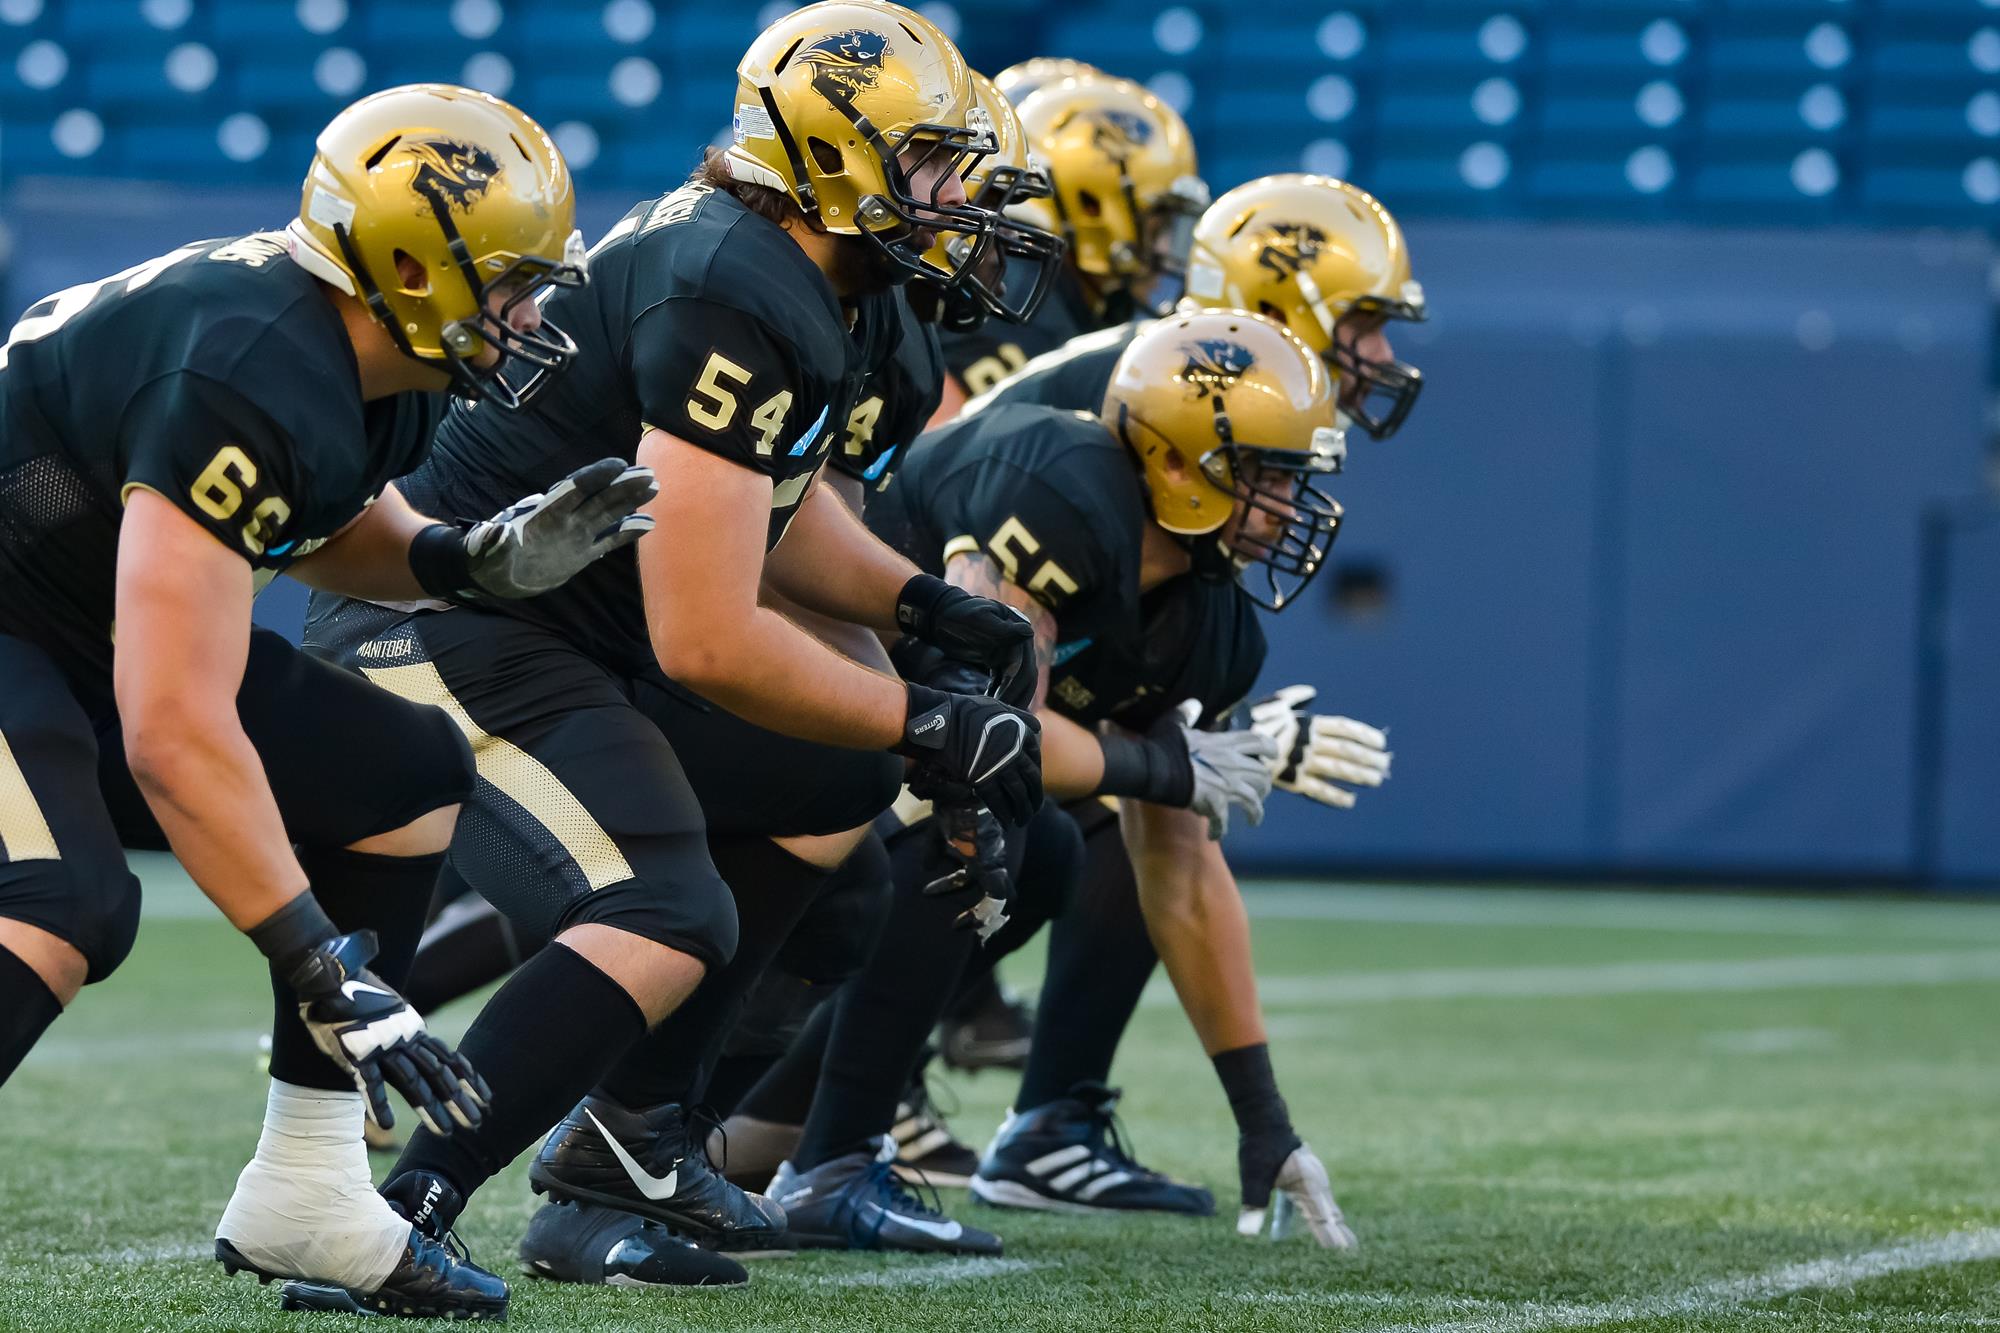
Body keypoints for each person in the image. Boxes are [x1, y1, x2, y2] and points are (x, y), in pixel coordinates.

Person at [281, 1, 1045, 1307]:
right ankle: (393, 1216)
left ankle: (621, 1156)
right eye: (930, 162)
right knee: (663, 904)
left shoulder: (848, 298)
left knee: (834, 802)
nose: (958, 196)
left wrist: (919, 606)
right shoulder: (728, 279)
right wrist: (921, 717)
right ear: (831, 156)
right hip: (443, 629)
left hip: (570, 641)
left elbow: (773, 522)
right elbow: (708, 632)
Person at [0, 84, 657, 1320]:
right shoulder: (251, 360)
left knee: (400, 775)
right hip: (18, 612)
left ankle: (306, 1190)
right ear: (411, 268)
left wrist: (458, 561)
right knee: (60, 901)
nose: (528, 314)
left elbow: (315, 515)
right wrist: (319, 963)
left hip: (66, 610)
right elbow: (173, 728)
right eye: (509, 283)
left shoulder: (371, 352)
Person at [751, 310, 1373, 1251]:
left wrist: (1263, 1116)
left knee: (1035, 851)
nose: (1290, 506)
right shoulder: (1067, 484)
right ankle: (808, 1148)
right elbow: (1001, 730)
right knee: (988, 815)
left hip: (872, 755)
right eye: (1269, 475)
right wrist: (1165, 763)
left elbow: (1182, 871)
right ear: (1176, 460)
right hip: (770, 699)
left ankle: (765, 1132)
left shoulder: (1211, 622)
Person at [933, 73, 1208, 414]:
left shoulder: (1063, 290)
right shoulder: (1019, 286)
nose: (1167, 248)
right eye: (1158, 223)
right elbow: (942, 436)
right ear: (1092, 206)